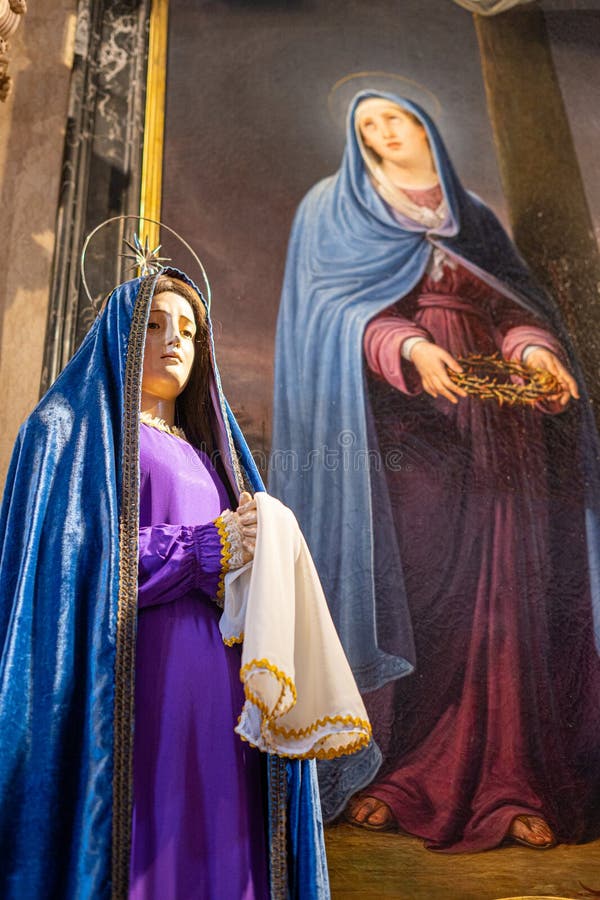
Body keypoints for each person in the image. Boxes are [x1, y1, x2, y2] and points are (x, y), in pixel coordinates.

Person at [270, 90, 600, 852]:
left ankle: (514, 781)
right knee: (419, 596)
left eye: (398, 118)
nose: (385, 132)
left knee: (506, 603)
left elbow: (515, 306)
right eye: (368, 124)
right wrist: (409, 346)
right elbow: (327, 311)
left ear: (424, 125)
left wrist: (536, 351)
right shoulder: (335, 207)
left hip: (501, 435)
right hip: (407, 437)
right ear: (358, 140)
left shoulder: (470, 213)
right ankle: (393, 771)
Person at [0, 266, 330, 898]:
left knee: (221, 849)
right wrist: (210, 545)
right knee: (152, 845)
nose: (173, 340)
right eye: (152, 324)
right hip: (139, 690)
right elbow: (76, 558)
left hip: (224, 702)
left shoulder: (215, 457)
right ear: (119, 333)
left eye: (188, 329)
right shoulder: (70, 436)